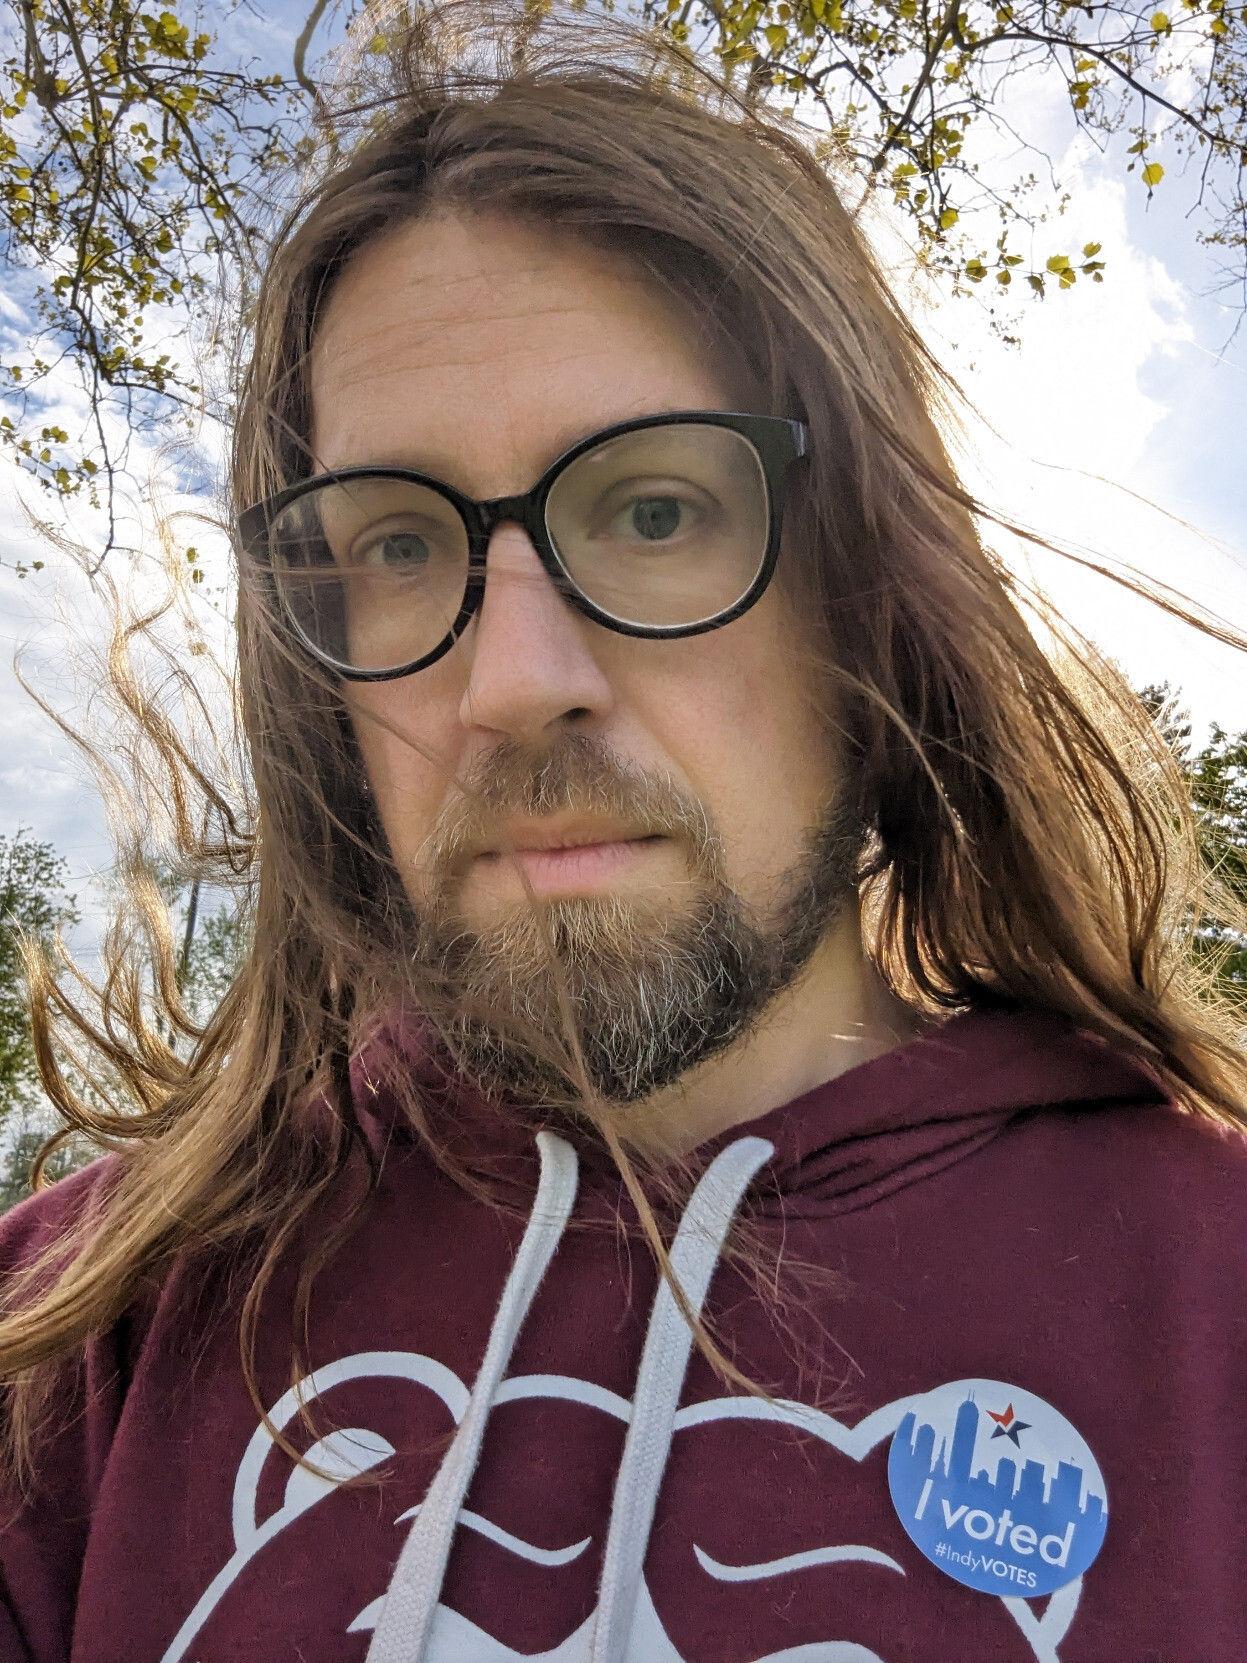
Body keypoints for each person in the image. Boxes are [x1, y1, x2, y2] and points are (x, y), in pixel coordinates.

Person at [0, 7, 1244, 1661]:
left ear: (871, 594)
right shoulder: (81, 1336)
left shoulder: (1211, 1289)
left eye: (656, 511)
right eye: (394, 543)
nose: (510, 683)